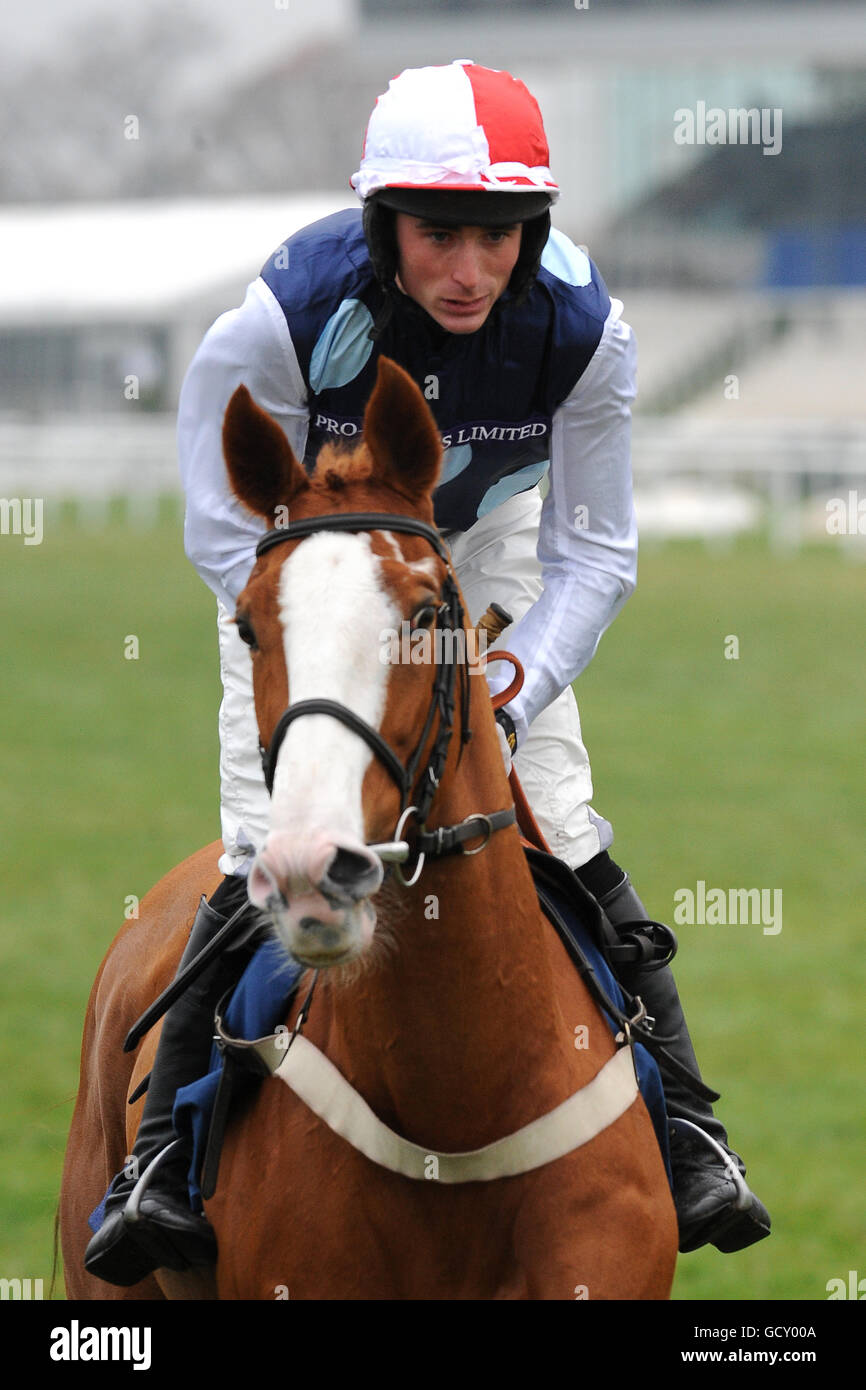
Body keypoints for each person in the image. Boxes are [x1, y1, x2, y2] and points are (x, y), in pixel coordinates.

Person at [85, 59, 770, 1286]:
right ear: (382, 225)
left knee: (555, 818)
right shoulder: (281, 316)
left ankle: (686, 1131)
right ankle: (163, 1161)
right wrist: (318, 636)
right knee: (267, 845)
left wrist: (512, 679)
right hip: (314, 552)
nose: (469, 270)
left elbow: (596, 548)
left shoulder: (584, 329)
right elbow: (217, 516)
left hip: (490, 543)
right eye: (439, 233)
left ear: (533, 234)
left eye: (498, 238)